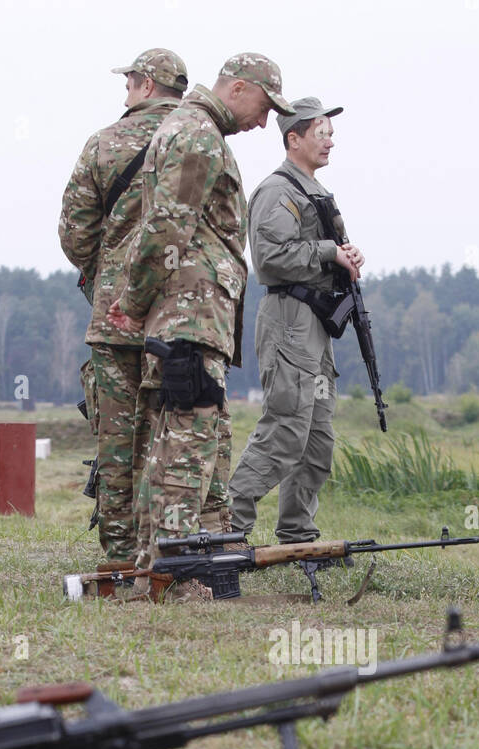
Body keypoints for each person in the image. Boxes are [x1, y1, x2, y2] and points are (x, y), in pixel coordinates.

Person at [108, 54, 293, 598]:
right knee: (185, 453)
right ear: (239, 88)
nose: (264, 122)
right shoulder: (198, 135)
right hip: (189, 317)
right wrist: (133, 300)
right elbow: (169, 225)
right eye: (264, 107)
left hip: (187, 317)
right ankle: (175, 578)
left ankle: (153, 574)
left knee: (169, 446)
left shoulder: (189, 129)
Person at [59, 49, 188, 562]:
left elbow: (74, 232)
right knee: (175, 435)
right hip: (179, 314)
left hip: (113, 316)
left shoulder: (105, 142)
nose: (126, 91)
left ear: (146, 85)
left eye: (130, 81)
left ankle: (117, 556)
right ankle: (171, 552)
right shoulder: (197, 141)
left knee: (117, 440)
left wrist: (107, 271)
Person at [227, 98, 364, 544]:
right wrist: (329, 253)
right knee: (286, 428)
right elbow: (268, 258)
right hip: (289, 321)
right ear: (294, 138)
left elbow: (321, 250)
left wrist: (346, 256)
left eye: (330, 131)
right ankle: (227, 528)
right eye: (320, 131)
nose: (330, 139)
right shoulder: (277, 191)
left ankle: (297, 531)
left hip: (316, 326)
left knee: (317, 434)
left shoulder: (314, 190)